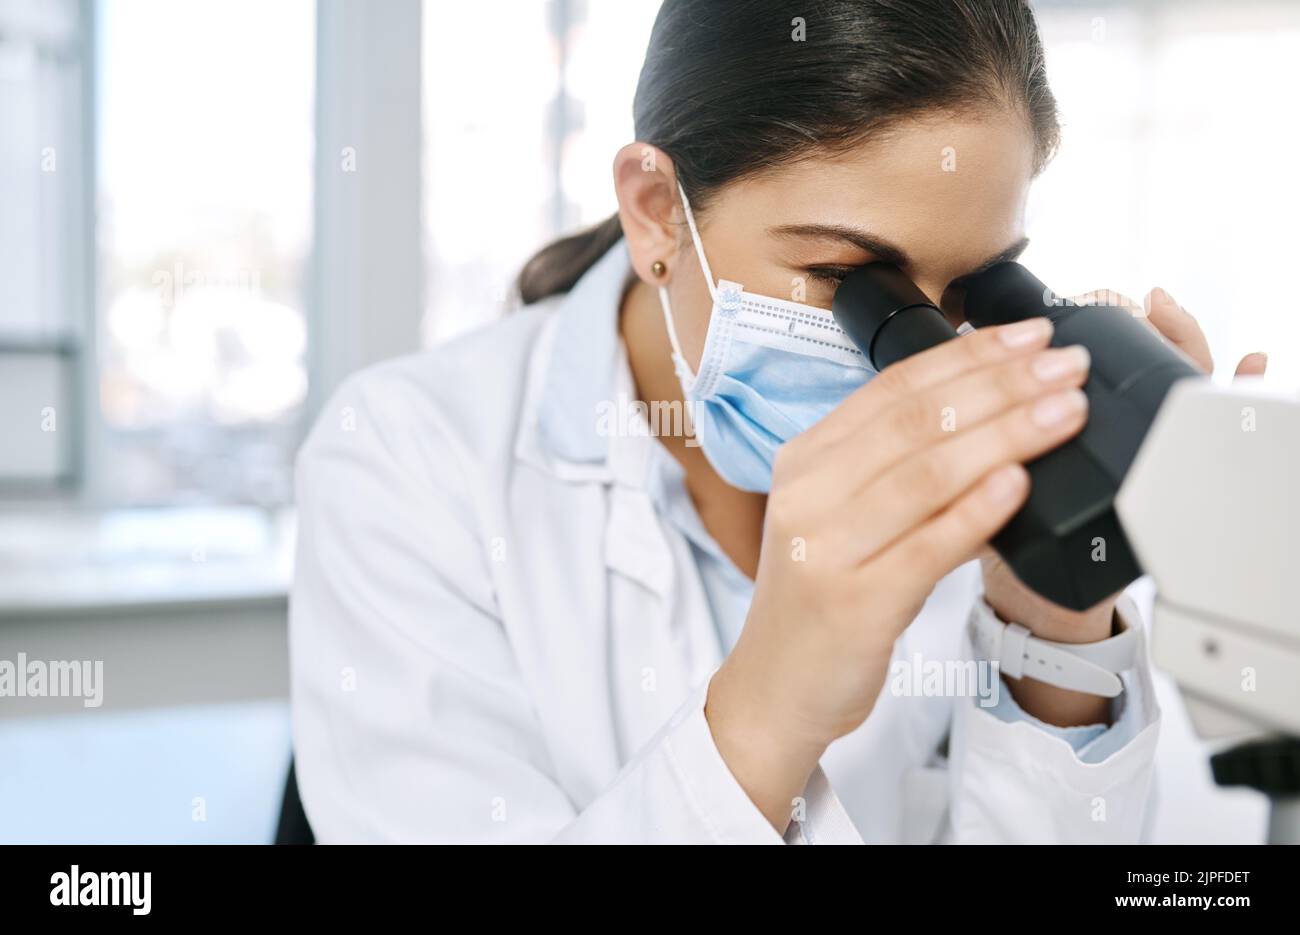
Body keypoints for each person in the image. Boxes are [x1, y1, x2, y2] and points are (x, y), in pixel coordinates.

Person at [288, 0, 1267, 843]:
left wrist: (1050, 611)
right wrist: (769, 705)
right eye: (850, 280)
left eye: (974, 288)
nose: (918, 356)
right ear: (654, 210)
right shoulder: (406, 458)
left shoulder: (986, 467)